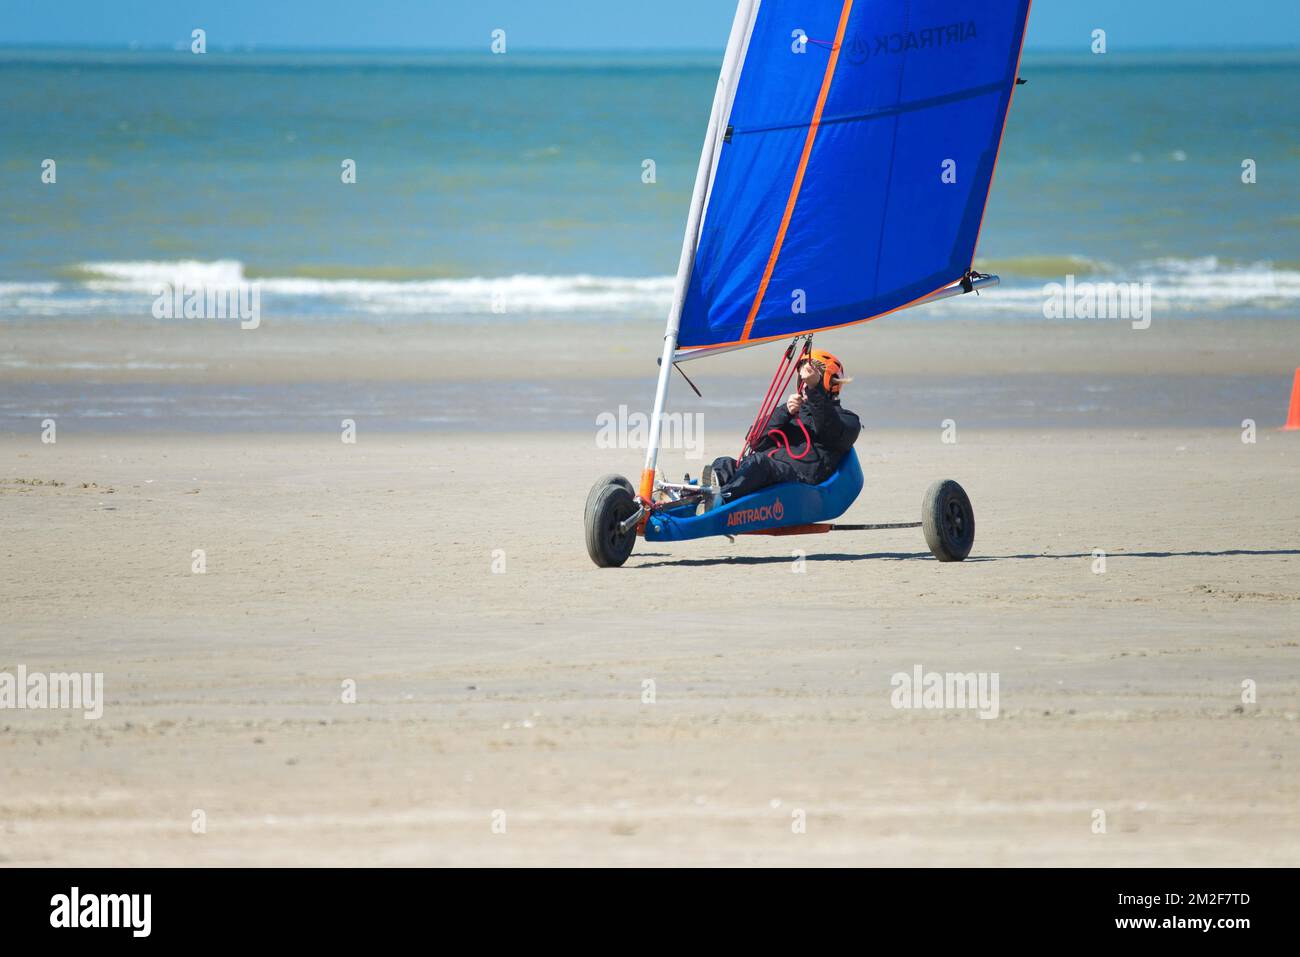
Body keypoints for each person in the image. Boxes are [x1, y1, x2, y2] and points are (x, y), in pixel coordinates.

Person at [702, 349, 860, 508]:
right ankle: (701, 498)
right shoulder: (792, 413)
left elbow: (829, 430)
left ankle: (721, 500)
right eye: (803, 378)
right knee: (724, 463)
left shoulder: (848, 420)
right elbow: (755, 441)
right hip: (764, 471)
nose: (805, 383)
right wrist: (785, 411)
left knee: (759, 463)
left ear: (828, 383)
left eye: (812, 378)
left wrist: (815, 390)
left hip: (800, 481)